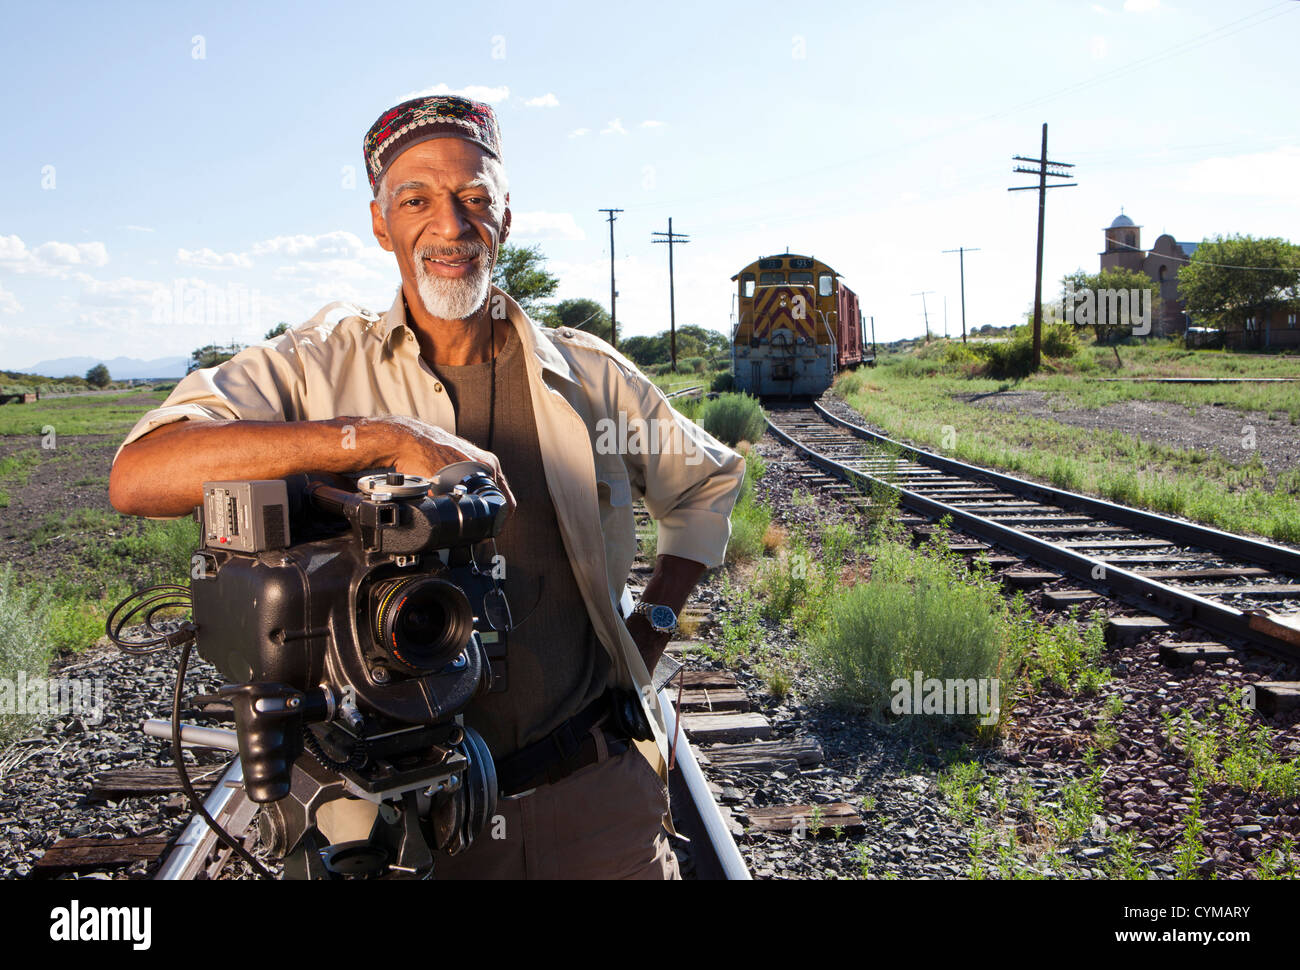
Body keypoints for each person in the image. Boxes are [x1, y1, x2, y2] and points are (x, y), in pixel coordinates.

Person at [109, 94, 745, 879]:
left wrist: (651, 623)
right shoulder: (314, 367)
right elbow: (143, 472)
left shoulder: (591, 377)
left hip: (592, 798)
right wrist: (372, 438)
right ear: (381, 225)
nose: (450, 225)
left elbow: (708, 484)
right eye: (417, 199)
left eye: (475, 199)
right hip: (394, 826)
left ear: (505, 217)